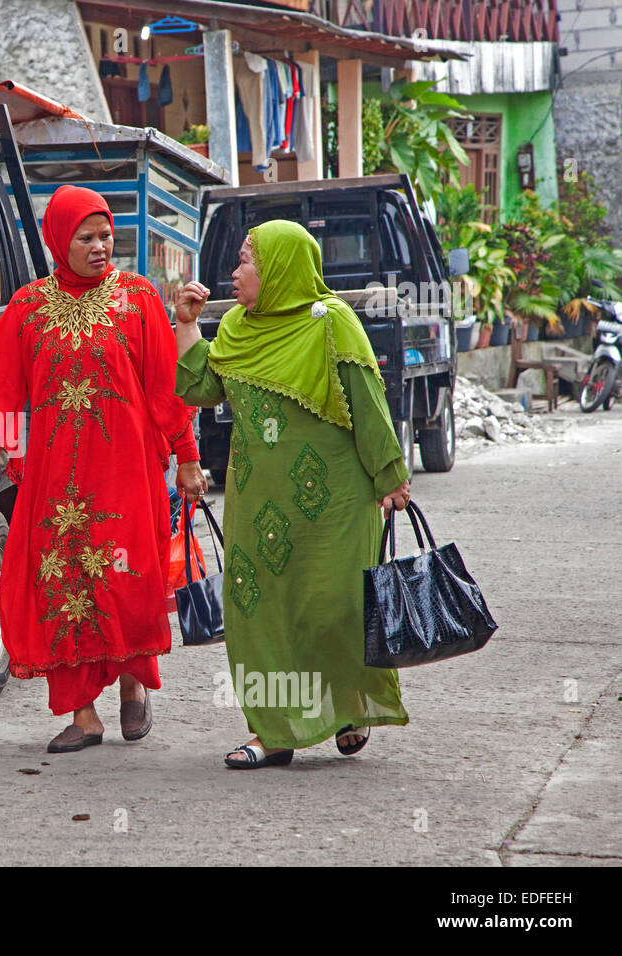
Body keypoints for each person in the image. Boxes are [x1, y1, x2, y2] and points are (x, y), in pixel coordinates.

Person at [0, 184, 209, 753]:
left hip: (129, 475)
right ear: (60, 240)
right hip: (54, 483)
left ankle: (133, 688)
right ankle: (82, 714)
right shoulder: (28, 307)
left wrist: (187, 455)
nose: (100, 246)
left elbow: (164, 387)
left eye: (106, 236)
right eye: (87, 237)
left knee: (126, 581)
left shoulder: (139, 297)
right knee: (63, 584)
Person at [173, 220, 411, 768]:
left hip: (336, 504)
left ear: (279, 269)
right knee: (260, 613)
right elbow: (199, 388)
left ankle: (346, 707)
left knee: (332, 609)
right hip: (257, 504)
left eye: (245, 262)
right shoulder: (234, 327)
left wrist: (389, 475)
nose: (235, 273)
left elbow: (369, 405)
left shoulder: (334, 326)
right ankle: (272, 731)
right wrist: (186, 326)